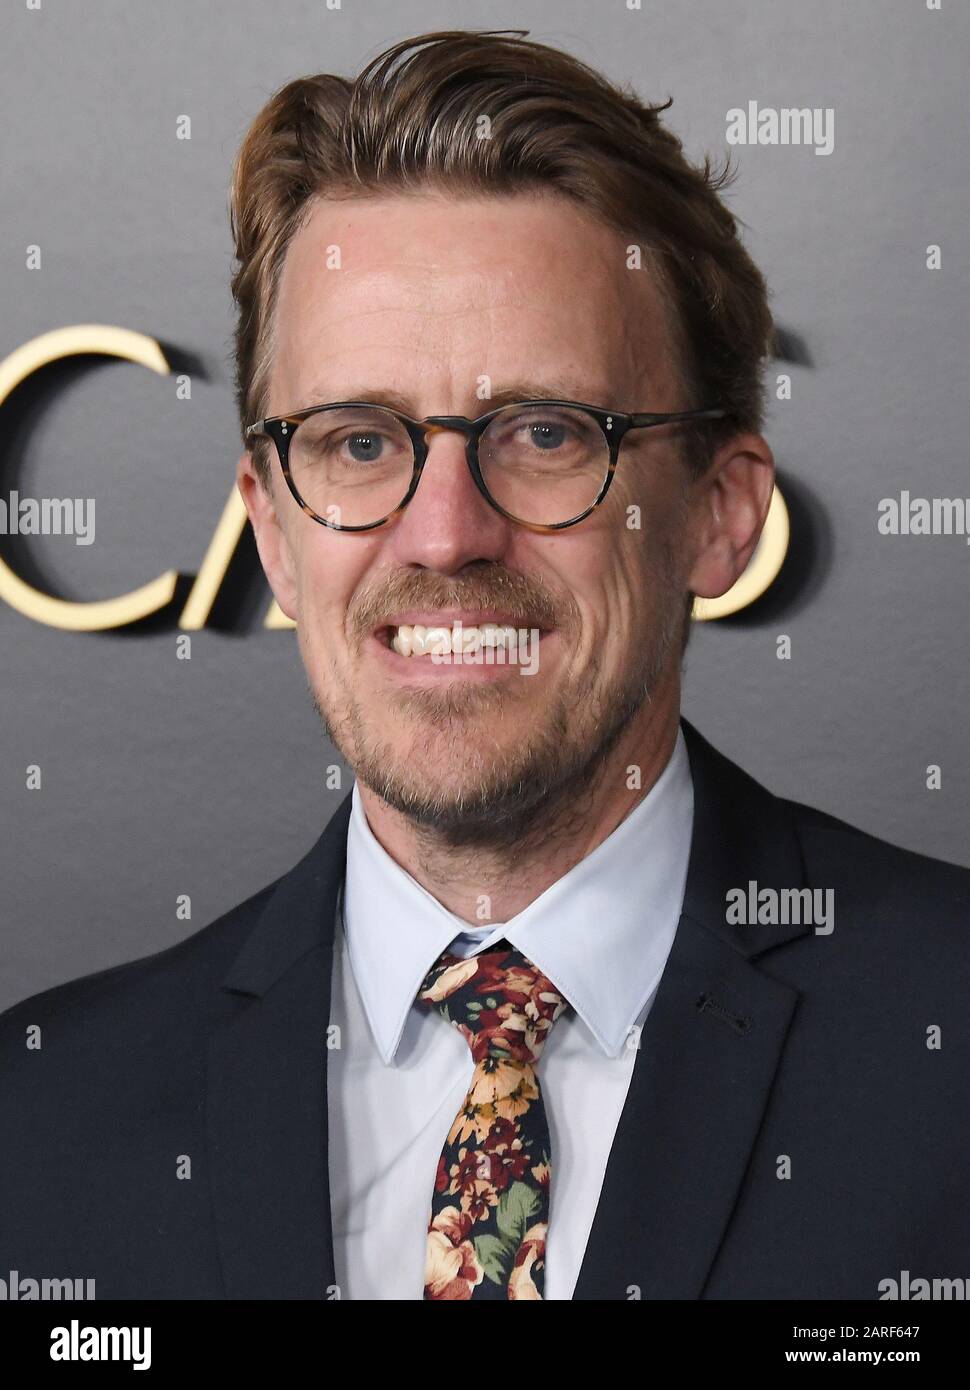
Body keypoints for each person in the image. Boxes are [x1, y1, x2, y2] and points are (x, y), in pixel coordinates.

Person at [2, 29, 968, 1302]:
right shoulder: (38, 1123)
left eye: (548, 433)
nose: (444, 532)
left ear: (720, 513)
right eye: (356, 443)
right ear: (273, 531)